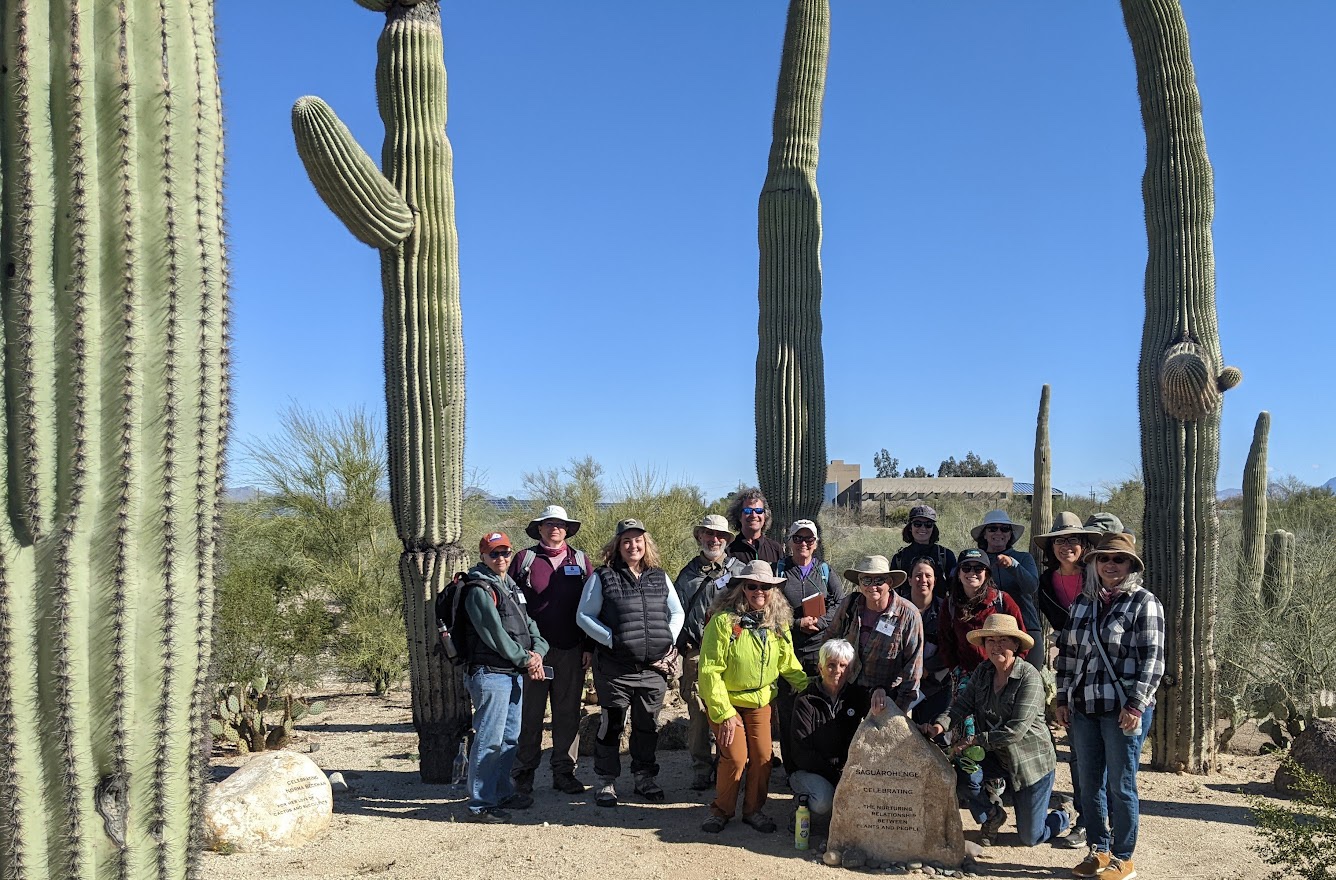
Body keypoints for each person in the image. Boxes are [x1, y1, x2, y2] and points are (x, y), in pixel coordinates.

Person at [1055, 532, 1165, 880]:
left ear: (1131, 565)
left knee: (1121, 783)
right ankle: (1098, 851)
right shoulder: (1082, 603)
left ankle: (1123, 856)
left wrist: (1135, 705)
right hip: (1084, 706)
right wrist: (1061, 696)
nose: (1111, 565)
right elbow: (1068, 655)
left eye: (1118, 559)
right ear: (1095, 564)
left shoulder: (1144, 603)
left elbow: (1153, 660)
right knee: (1089, 784)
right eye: (1104, 559)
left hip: (1123, 709)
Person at [920, 614, 1073, 847]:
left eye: (1003, 640)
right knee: (963, 772)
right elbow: (961, 705)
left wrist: (973, 741)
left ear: (1016, 645)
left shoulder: (1029, 677)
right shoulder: (983, 672)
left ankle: (1064, 815)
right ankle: (992, 816)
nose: (996, 646)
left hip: (1029, 762)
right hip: (994, 755)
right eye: (990, 641)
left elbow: (1015, 731)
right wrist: (939, 725)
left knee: (1030, 837)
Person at [576, 519, 685, 807]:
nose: (632, 545)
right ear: (617, 546)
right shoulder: (604, 576)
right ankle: (606, 781)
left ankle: (644, 778)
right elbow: (584, 616)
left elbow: (677, 613)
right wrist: (611, 639)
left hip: (653, 670)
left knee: (647, 725)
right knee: (612, 724)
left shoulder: (659, 577)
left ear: (646, 544)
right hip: (614, 669)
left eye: (638, 540)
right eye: (626, 541)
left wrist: (666, 640)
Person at [697, 560, 809, 834]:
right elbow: (709, 671)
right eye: (752, 586)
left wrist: (810, 686)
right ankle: (720, 811)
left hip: (760, 702)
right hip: (729, 702)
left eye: (765, 587)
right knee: (735, 757)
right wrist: (724, 713)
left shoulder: (778, 624)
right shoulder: (723, 623)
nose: (759, 591)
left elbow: (787, 663)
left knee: (762, 758)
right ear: (740, 589)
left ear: (774, 590)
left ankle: (753, 810)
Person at [457, 531, 549, 823]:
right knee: (489, 738)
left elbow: (529, 622)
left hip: (511, 673)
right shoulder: (478, 588)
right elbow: (494, 635)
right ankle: (480, 804)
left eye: (506, 552)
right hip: (489, 673)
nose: (501, 558)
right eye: (494, 553)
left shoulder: (508, 585)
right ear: (483, 556)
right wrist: (527, 658)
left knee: (509, 737)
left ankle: (500, 791)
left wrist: (539, 652)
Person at [509, 505, 593, 796]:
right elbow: (511, 605)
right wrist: (521, 648)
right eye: (549, 524)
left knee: (567, 713)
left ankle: (564, 773)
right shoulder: (525, 559)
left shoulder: (580, 561)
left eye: (560, 524)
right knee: (530, 714)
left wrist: (589, 646)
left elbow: (593, 606)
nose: (554, 528)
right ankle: (523, 774)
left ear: (568, 529)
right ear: (540, 529)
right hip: (534, 653)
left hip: (572, 648)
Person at [1033, 511, 1100, 850]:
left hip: (1104, 670)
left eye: (1074, 539)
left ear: (1085, 544)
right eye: (1060, 540)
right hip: (1072, 668)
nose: (1067, 546)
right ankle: (1086, 822)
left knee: (1110, 756)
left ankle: (1107, 823)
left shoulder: (1099, 574)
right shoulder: (1047, 582)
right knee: (1078, 750)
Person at [673, 513, 746, 791]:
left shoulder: (740, 570)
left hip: (734, 653)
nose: (713, 539)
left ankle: (727, 765)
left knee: (732, 709)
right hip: (698, 653)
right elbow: (676, 612)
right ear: (699, 537)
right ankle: (701, 768)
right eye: (708, 534)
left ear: (727, 539)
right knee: (700, 712)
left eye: (719, 535)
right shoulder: (687, 574)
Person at [773, 519, 844, 774]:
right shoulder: (779, 570)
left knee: (819, 710)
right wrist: (795, 622)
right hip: (787, 652)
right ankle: (793, 771)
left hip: (819, 651)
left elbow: (839, 602)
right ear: (789, 542)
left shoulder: (825, 571)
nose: (803, 544)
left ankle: (819, 768)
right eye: (798, 539)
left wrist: (822, 621)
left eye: (809, 540)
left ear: (816, 544)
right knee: (789, 712)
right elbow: (767, 606)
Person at [789, 639, 886, 824]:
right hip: (809, 771)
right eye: (831, 665)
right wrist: (836, 776)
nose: (837, 671)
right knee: (823, 802)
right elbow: (801, 753)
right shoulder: (805, 701)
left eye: (843, 665)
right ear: (820, 668)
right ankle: (800, 804)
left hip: (845, 769)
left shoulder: (857, 697)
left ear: (850, 670)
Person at [826, 555, 923, 712]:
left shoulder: (908, 615)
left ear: (890, 583)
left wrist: (898, 710)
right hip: (847, 691)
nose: (872, 586)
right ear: (859, 583)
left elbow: (913, 668)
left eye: (879, 580)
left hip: (887, 698)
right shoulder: (850, 604)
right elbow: (830, 638)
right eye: (866, 580)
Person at [938, 548, 1025, 678]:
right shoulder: (950, 604)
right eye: (966, 568)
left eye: (978, 569)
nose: (972, 572)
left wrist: (1011, 669)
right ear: (958, 573)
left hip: (1000, 673)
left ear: (987, 574)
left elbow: (1021, 637)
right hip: (965, 676)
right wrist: (955, 669)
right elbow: (945, 641)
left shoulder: (1002, 601)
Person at [969, 510, 1042, 666]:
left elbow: (1032, 587)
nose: (998, 532)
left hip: (1026, 627)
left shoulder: (1023, 558)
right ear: (984, 534)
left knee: (1030, 681)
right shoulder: (976, 563)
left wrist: (1013, 566)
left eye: (1004, 529)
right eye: (992, 528)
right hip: (989, 632)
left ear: (1010, 535)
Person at [897, 557, 950, 724]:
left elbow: (951, 647)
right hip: (898, 683)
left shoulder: (946, 610)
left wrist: (925, 669)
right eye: (918, 575)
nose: (923, 580)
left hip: (935, 685)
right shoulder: (895, 608)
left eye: (928, 575)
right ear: (910, 580)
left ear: (935, 580)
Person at [889, 504, 958, 587]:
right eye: (917, 524)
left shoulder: (946, 556)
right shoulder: (899, 558)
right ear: (910, 527)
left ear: (933, 528)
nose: (923, 528)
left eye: (928, 524)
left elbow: (954, 586)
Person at [725, 487, 784, 564]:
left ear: (765, 516)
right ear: (739, 516)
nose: (754, 515)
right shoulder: (728, 551)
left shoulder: (776, 549)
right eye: (748, 511)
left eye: (759, 511)